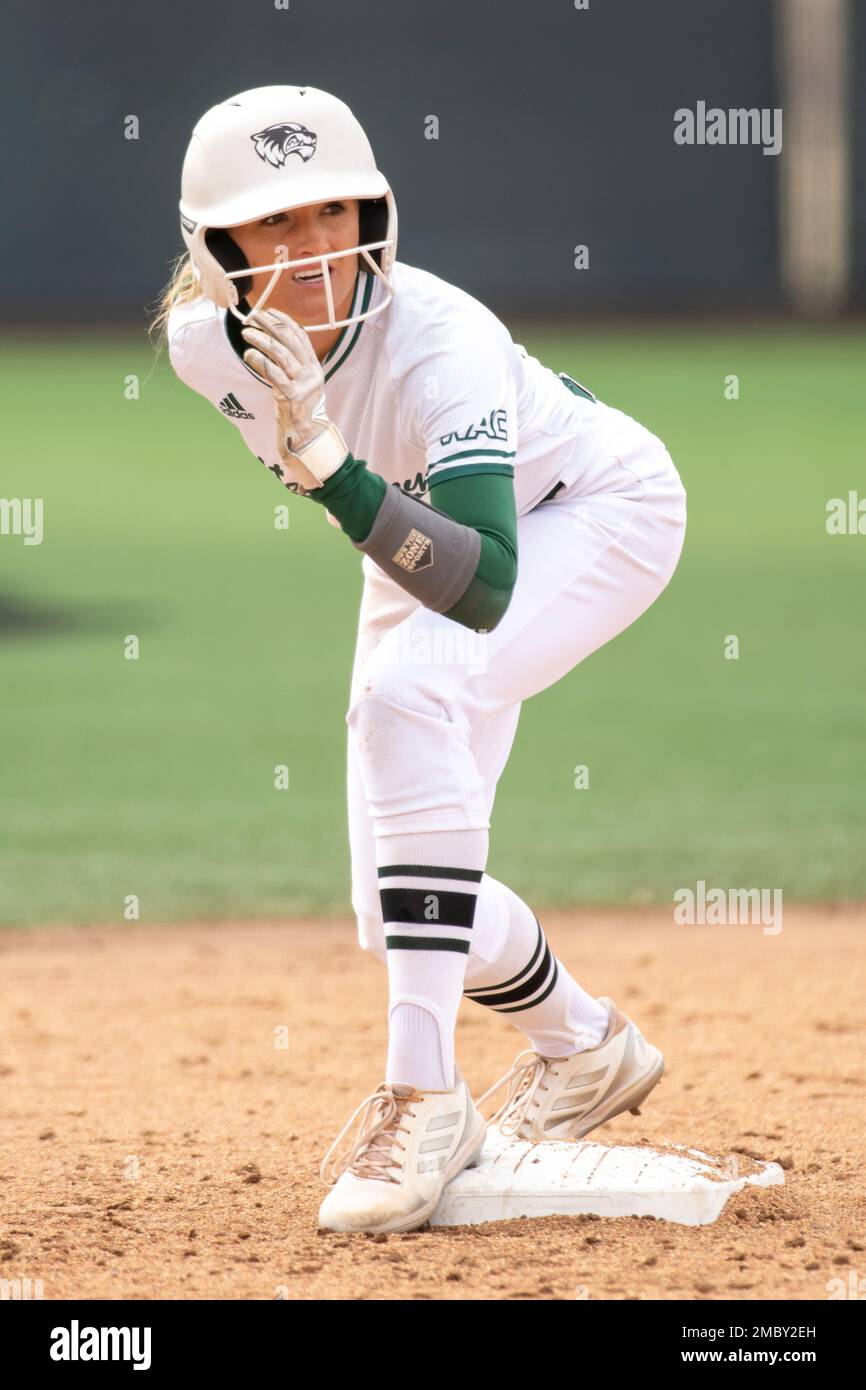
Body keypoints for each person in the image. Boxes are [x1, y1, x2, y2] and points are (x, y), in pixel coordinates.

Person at [155, 85, 687, 1236]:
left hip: (594, 513)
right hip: (413, 542)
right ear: (218, 249)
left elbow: (485, 581)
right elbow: (410, 536)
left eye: (331, 211)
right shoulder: (205, 348)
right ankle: (584, 1046)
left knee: (406, 694)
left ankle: (423, 1096)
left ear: (374, 213)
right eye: (274, 221)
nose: (312, 245)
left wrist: (330, 464)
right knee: (393, 908)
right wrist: (342, 474)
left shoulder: (438, 339)